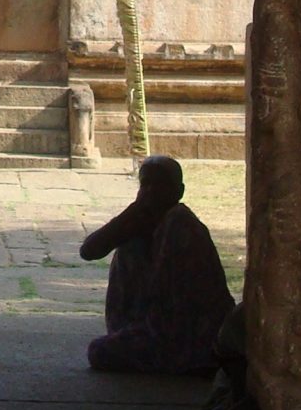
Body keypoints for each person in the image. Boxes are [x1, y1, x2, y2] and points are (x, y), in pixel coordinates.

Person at [80, 154, 235, 375]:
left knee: (100, 352)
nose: (151, 191)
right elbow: (89, 251)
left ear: (178, 192)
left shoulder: (180, 224)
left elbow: (169, 298)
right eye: (146, 184)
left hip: (190, 334)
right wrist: (131, 213)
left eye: (160, 185)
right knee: (130, 244)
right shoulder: (141, 220)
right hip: (154, 329)